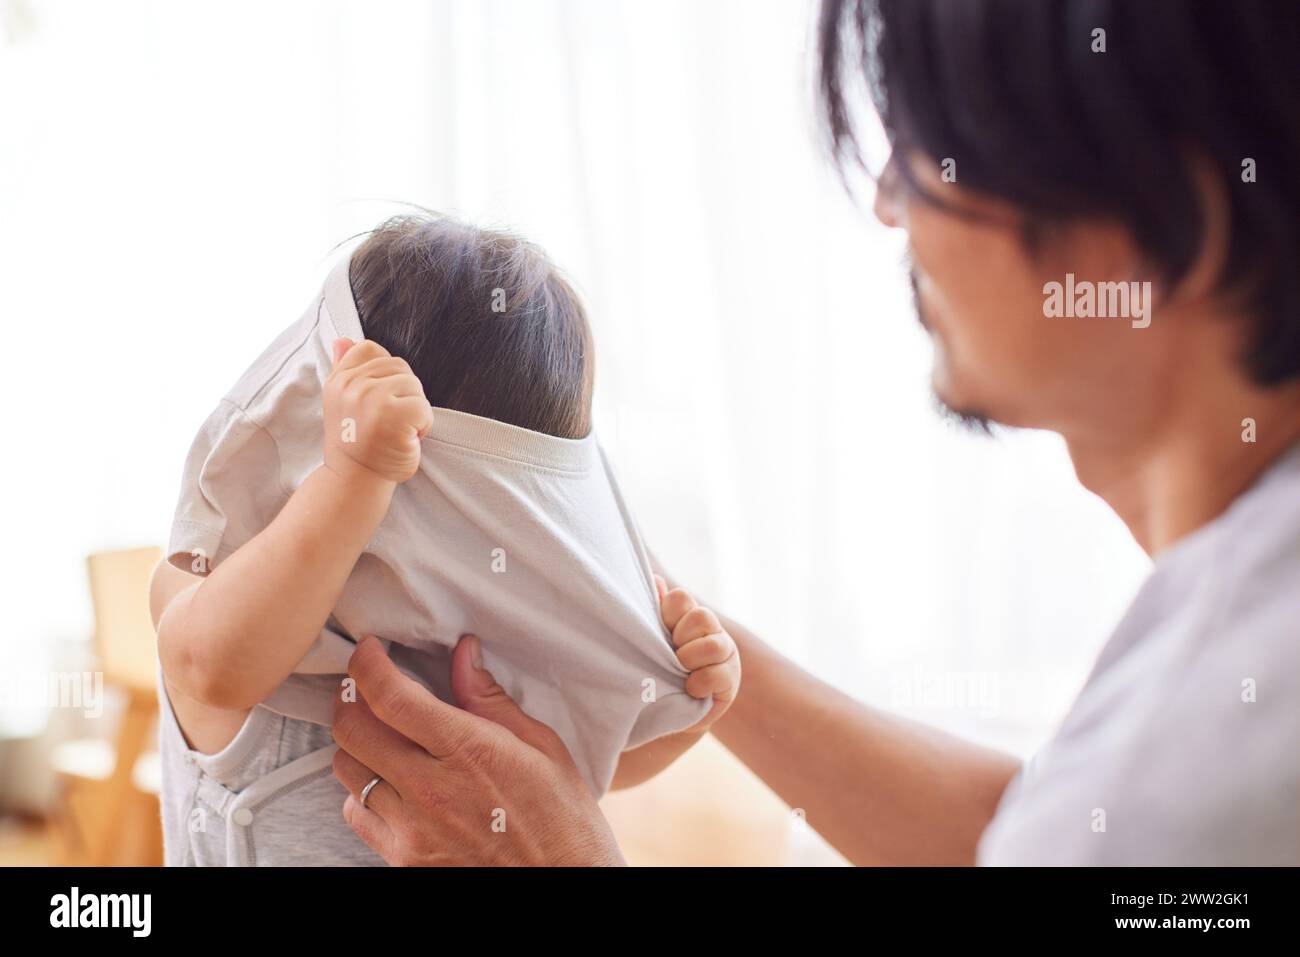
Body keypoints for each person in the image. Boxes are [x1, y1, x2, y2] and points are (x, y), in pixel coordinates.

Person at [330, 0, 1300, 865]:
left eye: (930, 142)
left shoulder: (1227, 731)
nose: (887, 201)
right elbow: (1031, 831)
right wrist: (639, 612)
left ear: (1167, 205)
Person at [148, 214, 740, 865]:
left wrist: (694, 706)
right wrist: (353, 479)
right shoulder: (227, 608)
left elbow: (576, 774)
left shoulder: (481, 657)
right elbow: (209, 665)